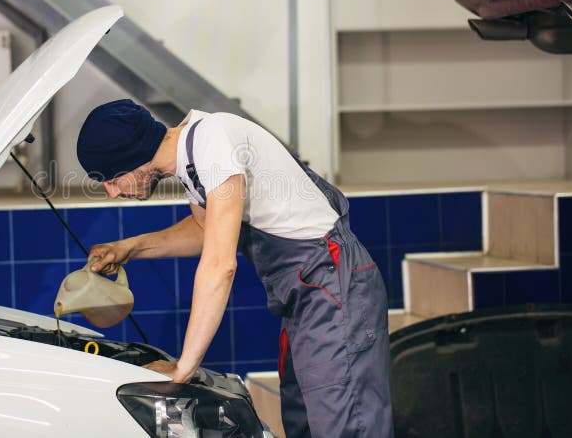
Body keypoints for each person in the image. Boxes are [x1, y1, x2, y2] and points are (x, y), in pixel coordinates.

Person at [76, 99, 393, 437]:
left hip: (332, 286)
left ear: (133, 156)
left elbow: (219, 265)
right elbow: (203, 229)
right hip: (307, 297)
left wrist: (183, 368)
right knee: (305, 425)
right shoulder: (195, 154)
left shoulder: (213, 139)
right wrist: (130, 247)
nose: (112, 192)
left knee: (346, 428)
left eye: (111, 179)